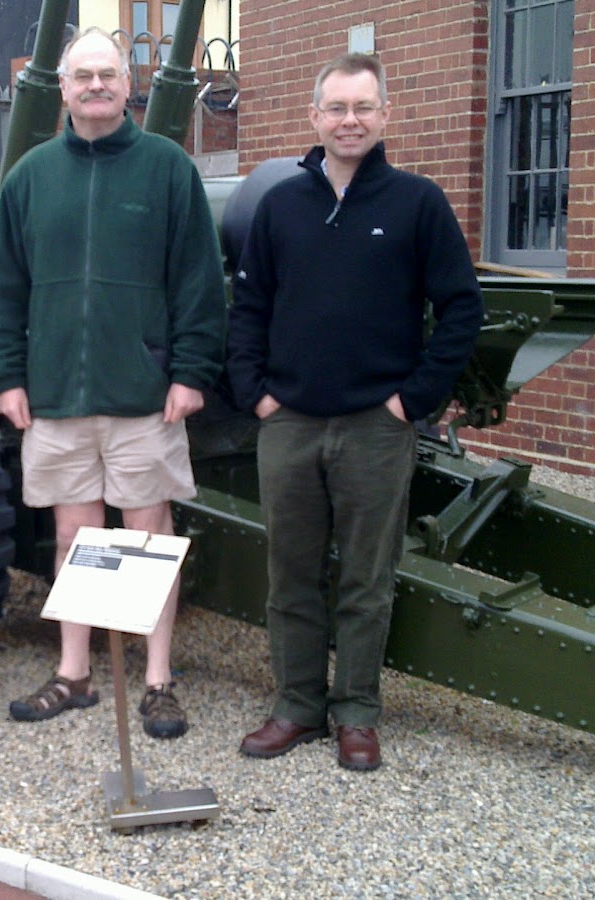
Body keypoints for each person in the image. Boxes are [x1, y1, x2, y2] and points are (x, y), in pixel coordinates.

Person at [227, 53, 484, 770]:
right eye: (336, 108)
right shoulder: (282, 206)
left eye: (362, 108)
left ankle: (357, 712)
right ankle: (297, 706)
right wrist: (259, 395)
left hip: (378, 425)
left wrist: (413, 401)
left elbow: (462, 308)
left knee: (368, 580)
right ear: (314, 118)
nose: (349, 121)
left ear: (384, 116)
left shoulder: (417, 203)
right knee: (292, 574)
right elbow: (248, 310)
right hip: (291, 424)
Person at [0, 27, 226, 740]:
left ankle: (157, 681)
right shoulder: (29, 177)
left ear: (129, 86)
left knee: (148, 536)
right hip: (57, 393)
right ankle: (75, 673)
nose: (95, 85)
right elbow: (7, 287)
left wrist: (190, 372)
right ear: (62, 88)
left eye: (108, 74)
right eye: (82, 75)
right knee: (72, 535)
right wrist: (6, 375)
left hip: (143, 393)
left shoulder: (167, 169)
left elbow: (198, 282)